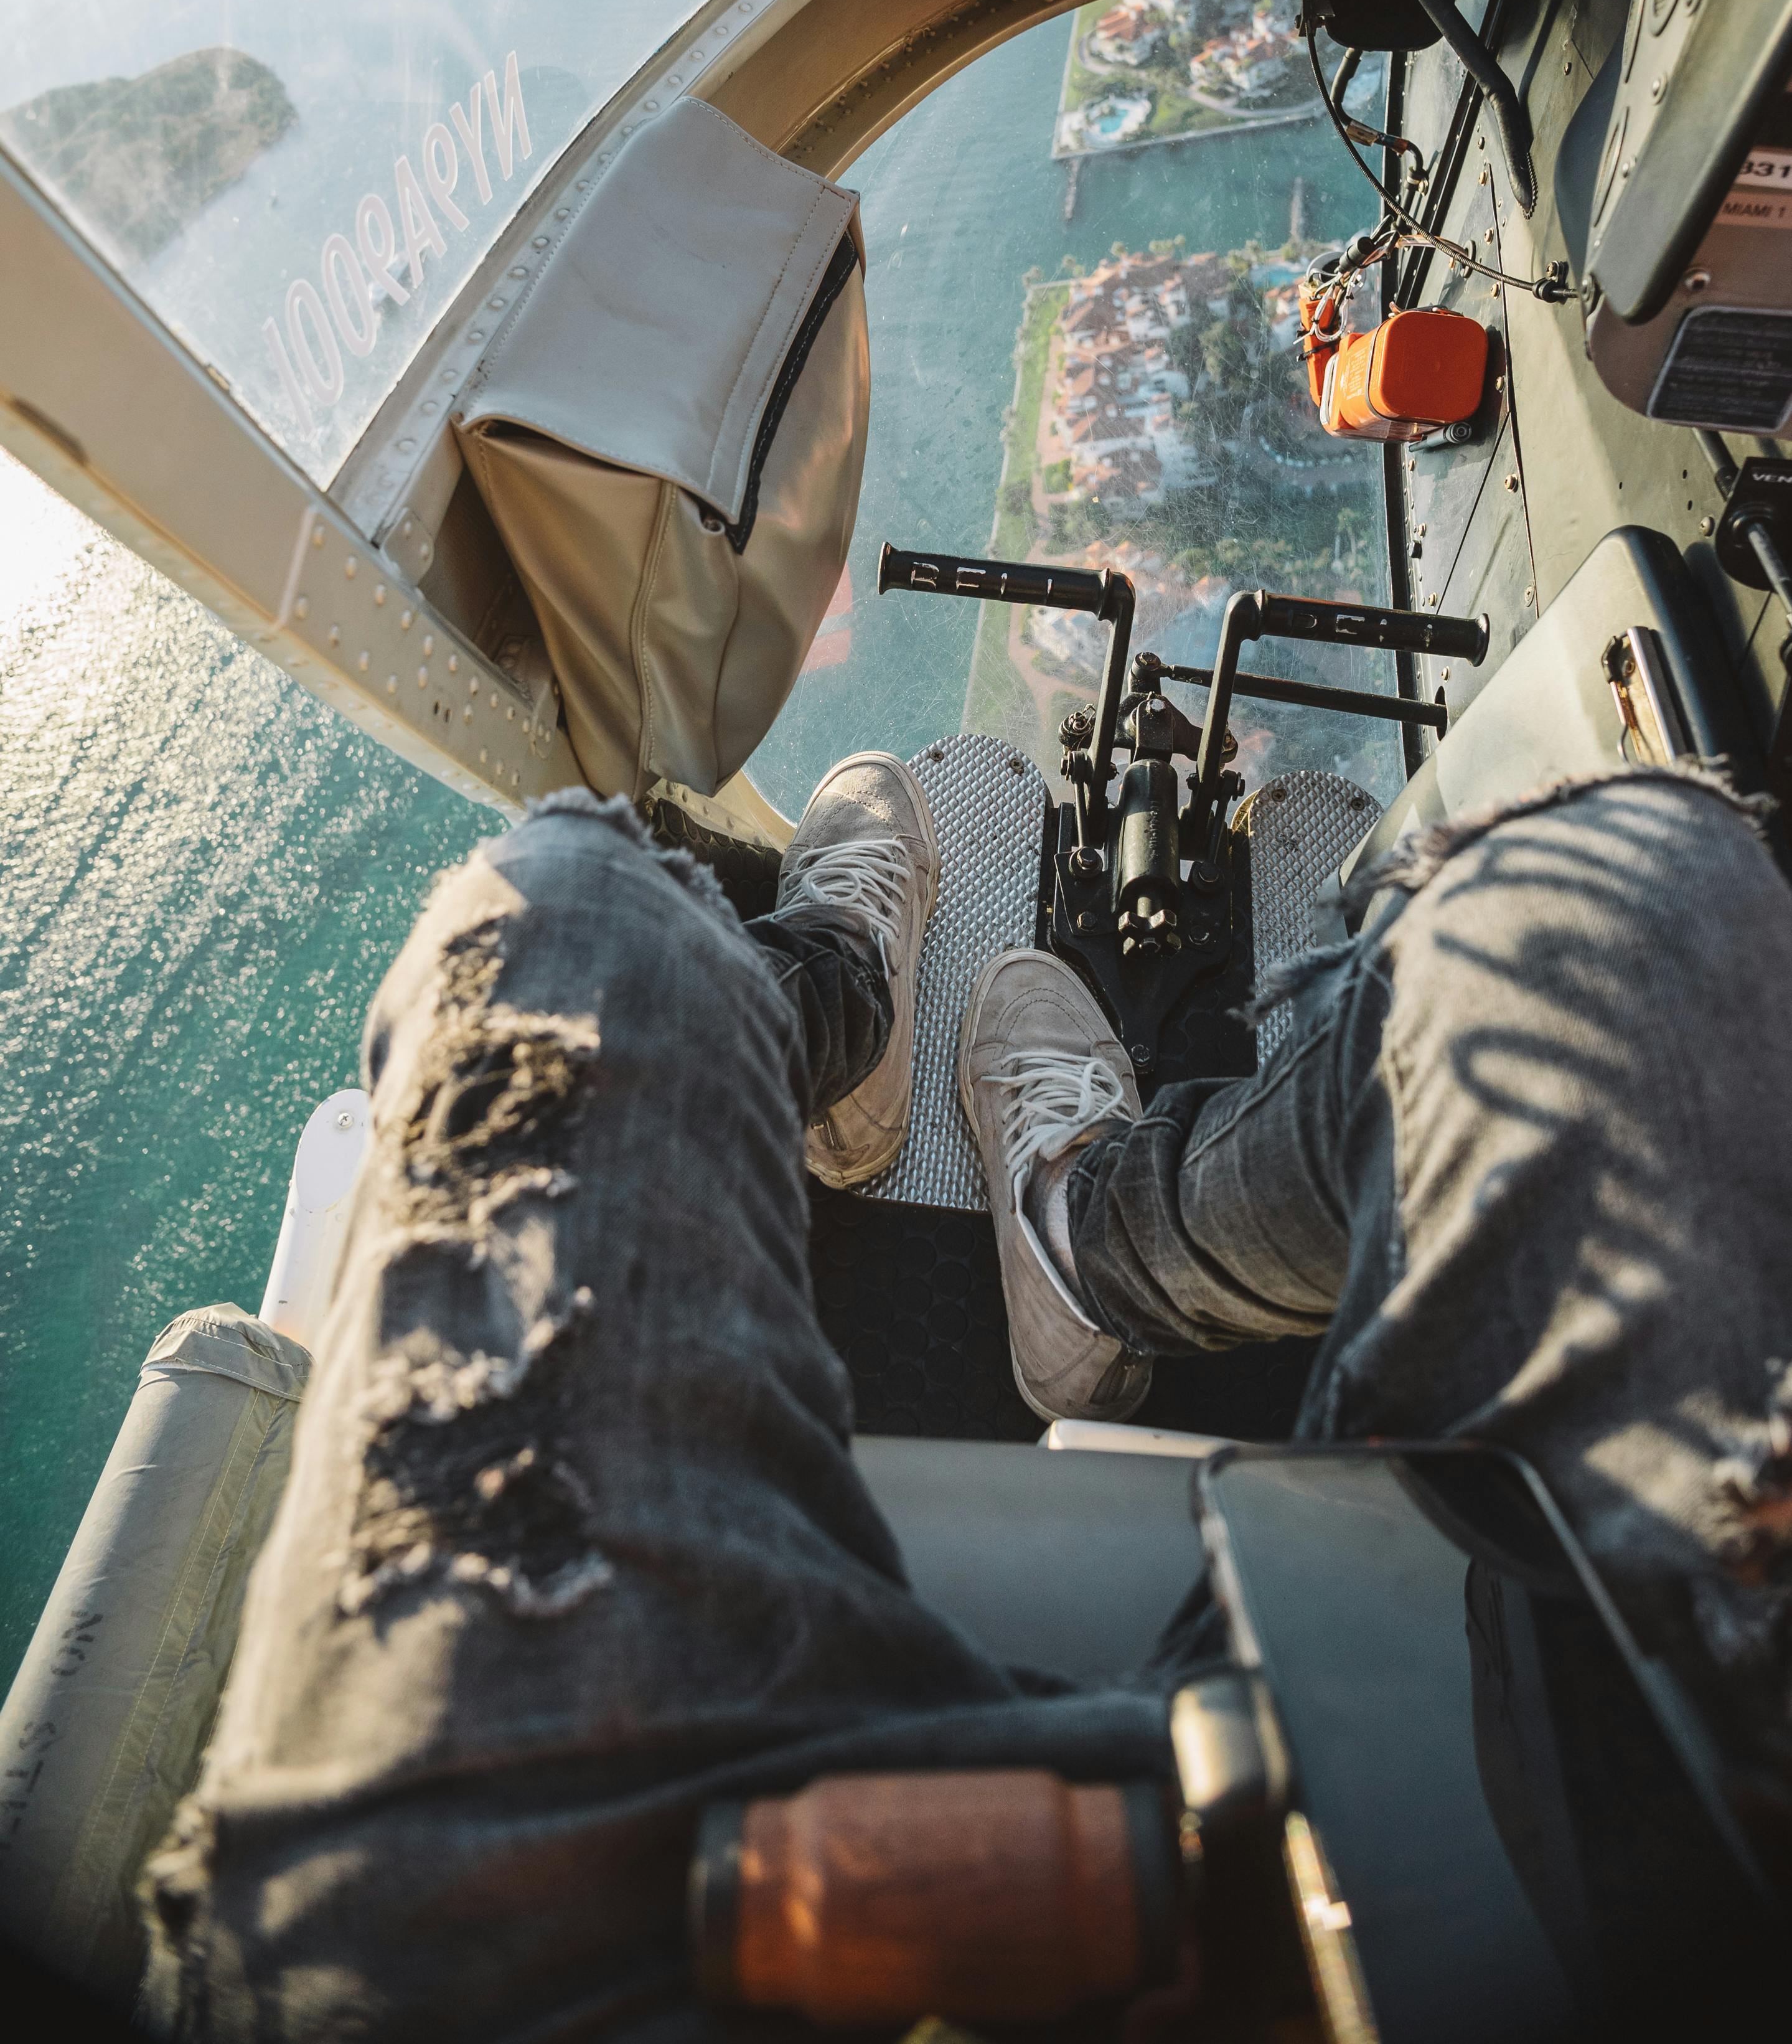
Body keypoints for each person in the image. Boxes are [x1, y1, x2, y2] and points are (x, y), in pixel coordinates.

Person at [144, 752, 1792, 2038]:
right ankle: (1084, 1240)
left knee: (559, 918)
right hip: (1565, 1819)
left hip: (510, 1968)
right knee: (1631, 915)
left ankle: (846, 998)